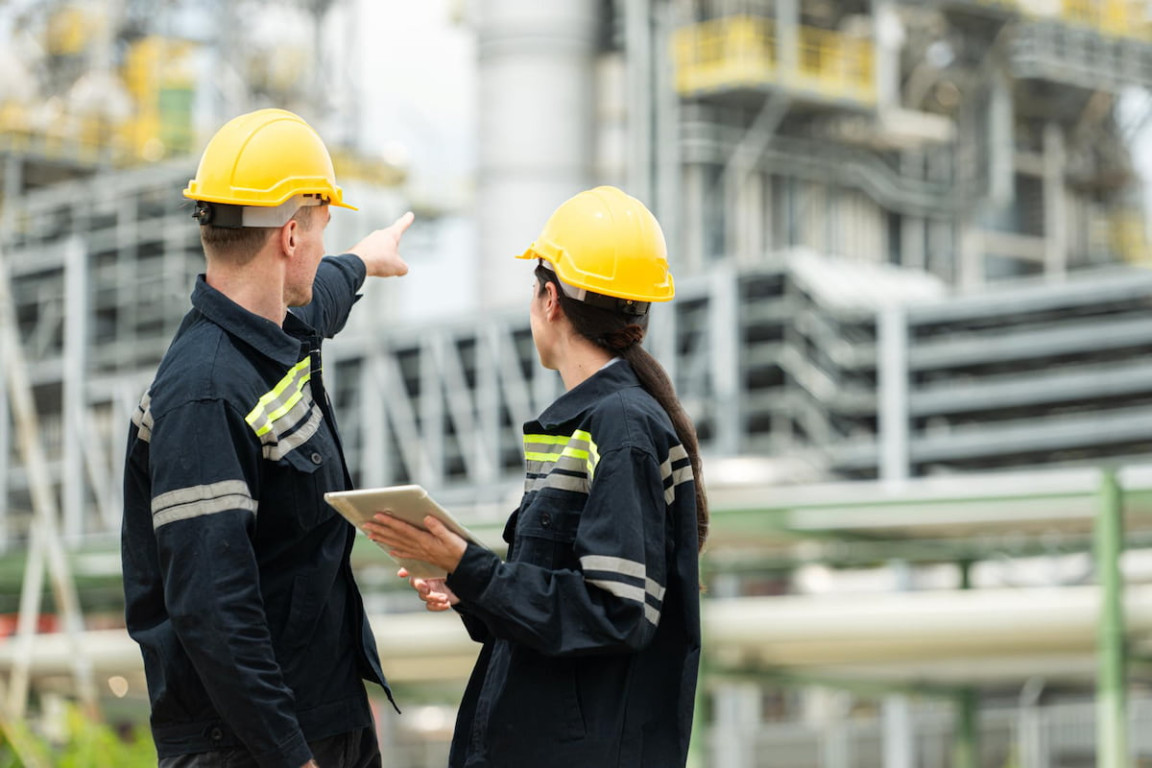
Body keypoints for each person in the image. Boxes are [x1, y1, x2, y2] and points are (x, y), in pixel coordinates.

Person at [363, 186, 708, 768]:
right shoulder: (600, 424)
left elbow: (617, 611)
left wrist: (471, 568)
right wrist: (468, 587)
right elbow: (557, 610)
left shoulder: (619, 429)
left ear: (550, 299)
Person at [121, 108, 412, 768]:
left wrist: (364, 262)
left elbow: (317, 300)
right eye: (322, 223)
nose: (327, 239)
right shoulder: (205, 390)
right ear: (289, 236)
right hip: (251, 747)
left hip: (321, 715)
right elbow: (212, 608)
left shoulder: (269, 333)